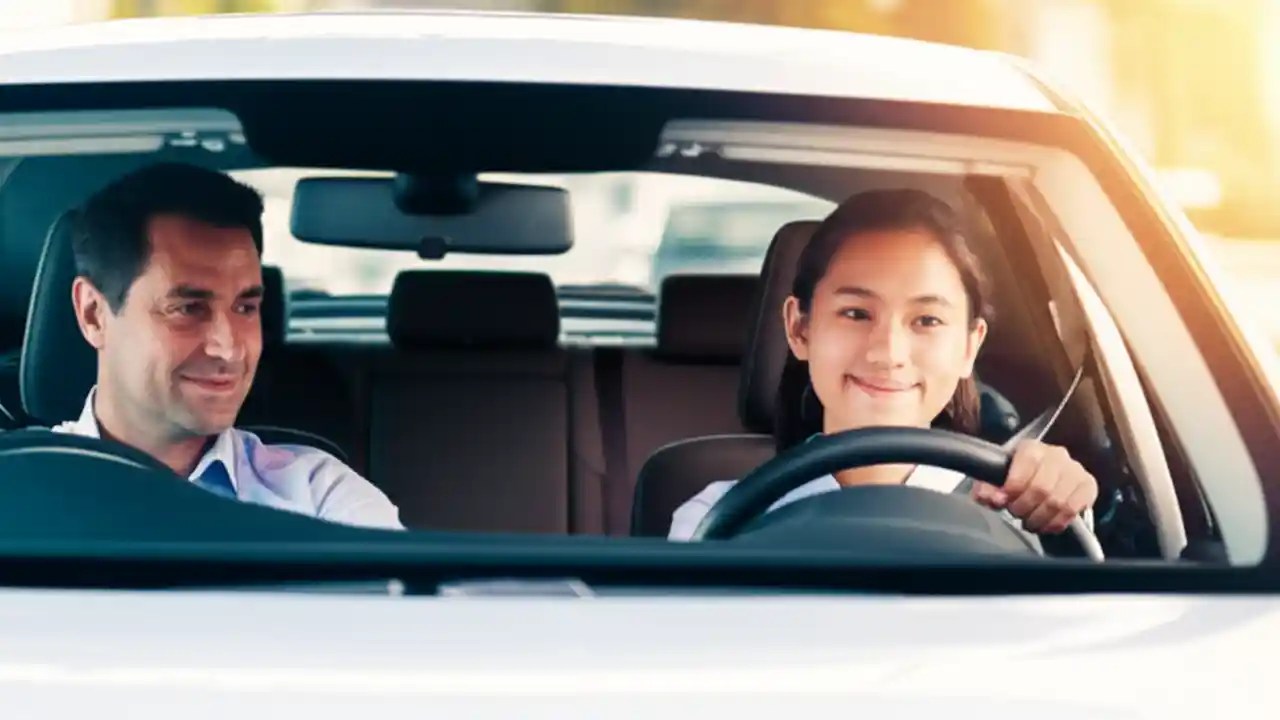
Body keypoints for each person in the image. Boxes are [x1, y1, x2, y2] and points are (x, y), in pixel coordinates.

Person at [669, 189, 1097, 546]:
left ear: (970, 346)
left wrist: (1063, 496)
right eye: (856, 314)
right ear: (800, 329)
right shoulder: (717, 520)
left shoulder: (1025, 506)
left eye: (926, 321)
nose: (887, 352)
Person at [53, 162, 403, 530]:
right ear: (94, 314)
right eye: (188, 308)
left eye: (245, 307)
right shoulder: (17, 486)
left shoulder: (319, 499)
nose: (229, 348)